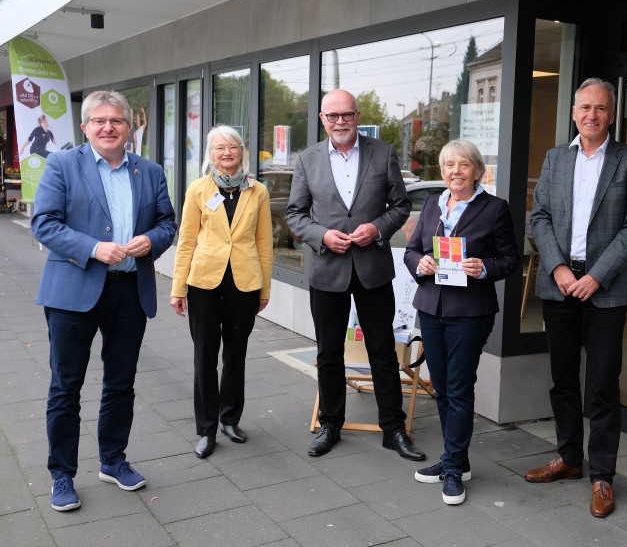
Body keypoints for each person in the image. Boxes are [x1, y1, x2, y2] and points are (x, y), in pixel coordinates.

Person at [31, 90, 177, 512]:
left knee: (120, 382)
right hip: (73, 292)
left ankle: (113, 460)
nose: (108, 128)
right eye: (100, 121)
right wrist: (94, 248)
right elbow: (44, 223)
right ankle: (62, 474)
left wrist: (151, 239)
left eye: (117, 121)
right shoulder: (62, 164)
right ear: (85, 126)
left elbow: (168, 221)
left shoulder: (149, 171)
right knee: (66, 387)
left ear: (129, 127)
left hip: (129, 291)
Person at [526, 77, 627, 518]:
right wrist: (558, 267)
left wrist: (595, 276)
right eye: (584, 108)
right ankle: (569, 459)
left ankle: (602, 477)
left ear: (611, 115)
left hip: (605, 288)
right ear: (574, 113)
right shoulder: (556, 158)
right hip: (559, 284)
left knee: (601, 386)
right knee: (562, 380)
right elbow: (538, 216)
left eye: (600, 108)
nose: (591, 115)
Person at [284, 88, 424, 461]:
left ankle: (393, 428)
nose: (340, 122)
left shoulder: (383, 152)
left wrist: (377, 228)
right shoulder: (307, 159)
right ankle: (330, 423)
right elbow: (295, 215)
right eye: (333, 116)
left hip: (372, 268)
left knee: (382, 350)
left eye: (346, 115)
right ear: (322, 119)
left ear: (357, 116)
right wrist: (323, 236)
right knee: (328, 352)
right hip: (327, 269)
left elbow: (400, 205)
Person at [404, 140, 520, 505]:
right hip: (432, 308)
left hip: (470, 311)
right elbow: (412, 250)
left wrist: (484, 267)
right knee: (440, 385)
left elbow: (510, 259)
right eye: (449, 165)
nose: (456, 171)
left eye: (464, 165)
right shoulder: (433, 205)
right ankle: (457, 458)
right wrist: (419, 264)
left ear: (477, 170)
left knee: (458, 386)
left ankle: (452, 468)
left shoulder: (494, 208)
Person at [170, 125, 273, 459]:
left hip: (244, 284)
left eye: (233, 147)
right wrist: (178, 288)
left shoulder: (258, 192)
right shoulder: (199, 189)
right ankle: (207, 428)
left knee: (235, 356)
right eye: (219, 148)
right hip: (203, 284)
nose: (227, 153)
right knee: (204, 357)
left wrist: (265, 288)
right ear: (210, 155)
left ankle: (230, 419)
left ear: (242, 152)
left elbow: (264, 244)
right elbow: (185, 240)